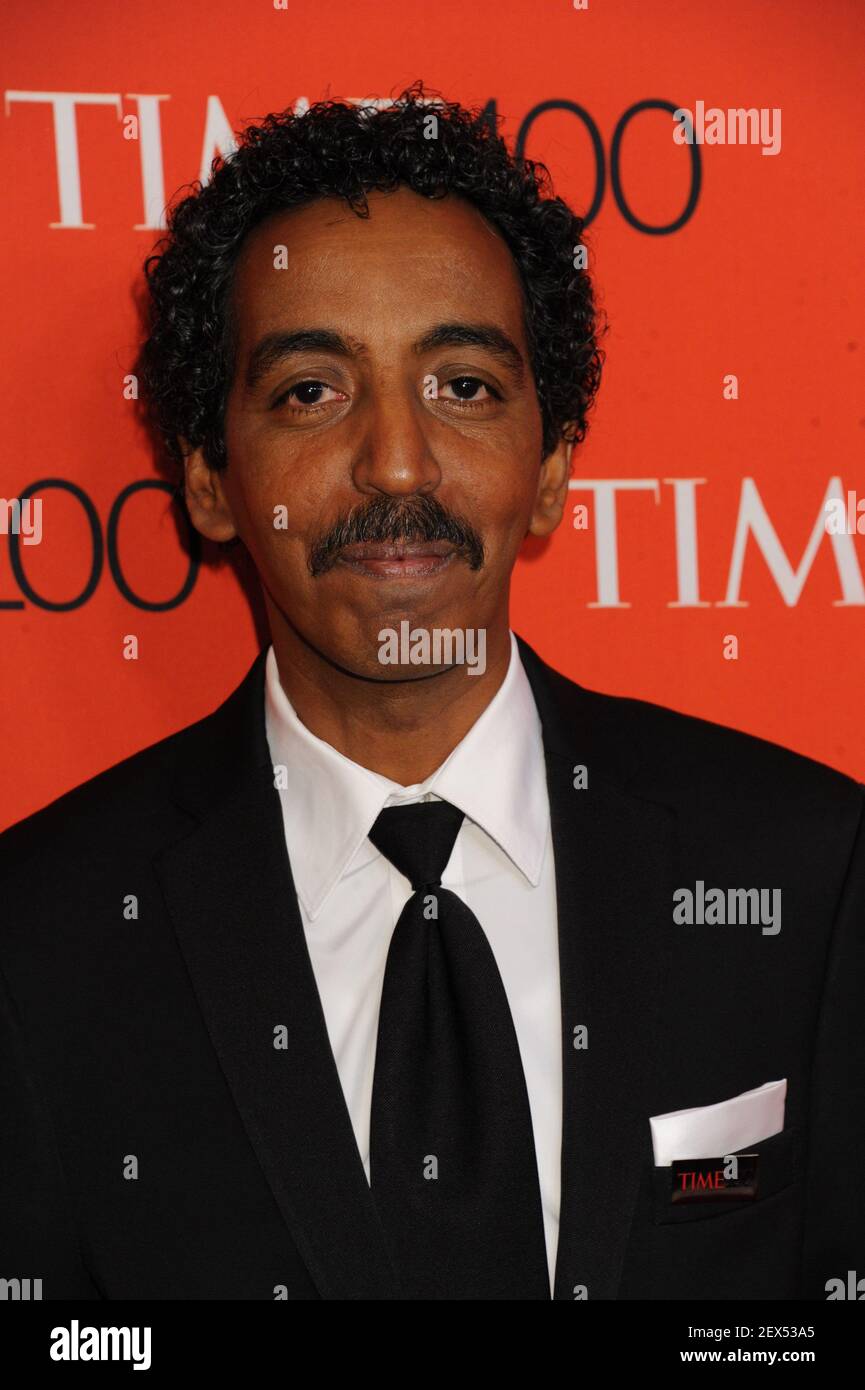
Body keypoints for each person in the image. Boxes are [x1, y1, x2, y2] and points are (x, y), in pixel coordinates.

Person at [1, 86, 862, 1301]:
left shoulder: (806, 872)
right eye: (311, 390)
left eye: (462, 384)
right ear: (206, 477)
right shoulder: (41, 943)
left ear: (554, 465)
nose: (396, 462)